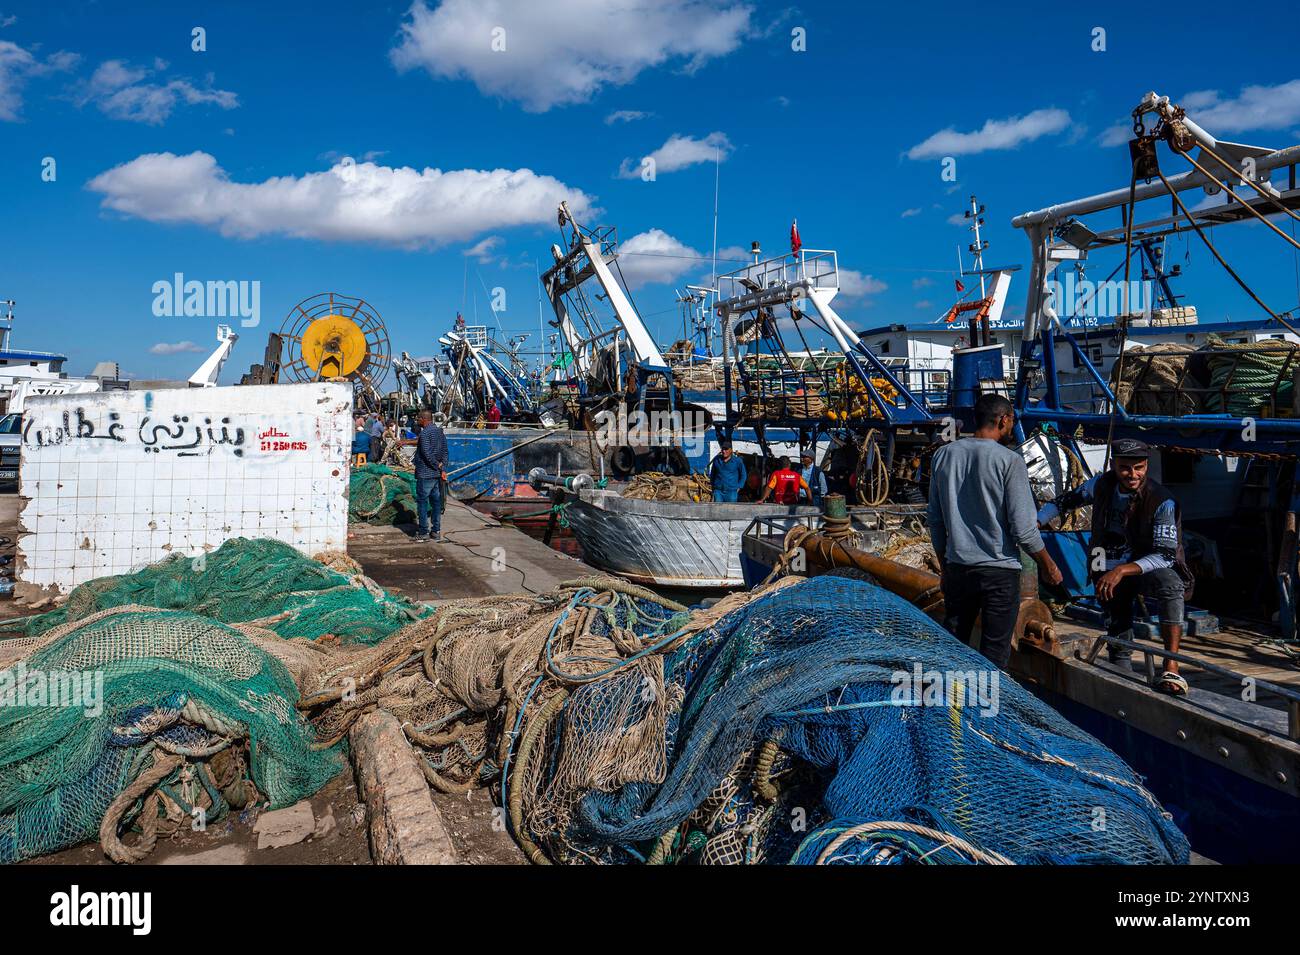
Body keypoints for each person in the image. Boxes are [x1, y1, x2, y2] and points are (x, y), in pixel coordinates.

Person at [1038, 438, 1193, 695]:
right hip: (1108, 565)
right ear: (1113, 465)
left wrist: (1121, 570)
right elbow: (1062, 502)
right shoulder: (1101, 485)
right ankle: (1122, 674)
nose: (1132, 474)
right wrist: (1036, 522)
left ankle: (1171, 665)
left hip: (1146, 567)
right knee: (1119, 630)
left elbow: (1165, 555)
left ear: (1146, 466)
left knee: (1171, 583)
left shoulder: (1162, 501)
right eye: (1124, 468)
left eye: (1139, 468)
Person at [927, 393, 1063, 668]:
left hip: (958, 569)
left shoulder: (943, 456)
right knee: (994, 655)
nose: (1012, 426)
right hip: (998, 574)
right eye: (1011, 420)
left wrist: (944, 566)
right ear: (1003, 419)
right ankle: (987, 708)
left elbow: (936, 520)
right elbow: (1024, 529)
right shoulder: (1009, 461)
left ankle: (950, 707)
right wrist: (1048, 565)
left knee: (953, 647)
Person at [400, 410, 449, 542]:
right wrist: (442, 467)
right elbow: (445, 451)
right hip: (436, 475)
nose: (417, 421)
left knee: (422, 503)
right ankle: (436, 531)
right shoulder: (439, 432)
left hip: (425, 473)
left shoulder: (425, 433)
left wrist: (436, 465)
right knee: (436, 503)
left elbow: (426, 453)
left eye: (418, 419)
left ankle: (423, 532)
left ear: (423, 419)